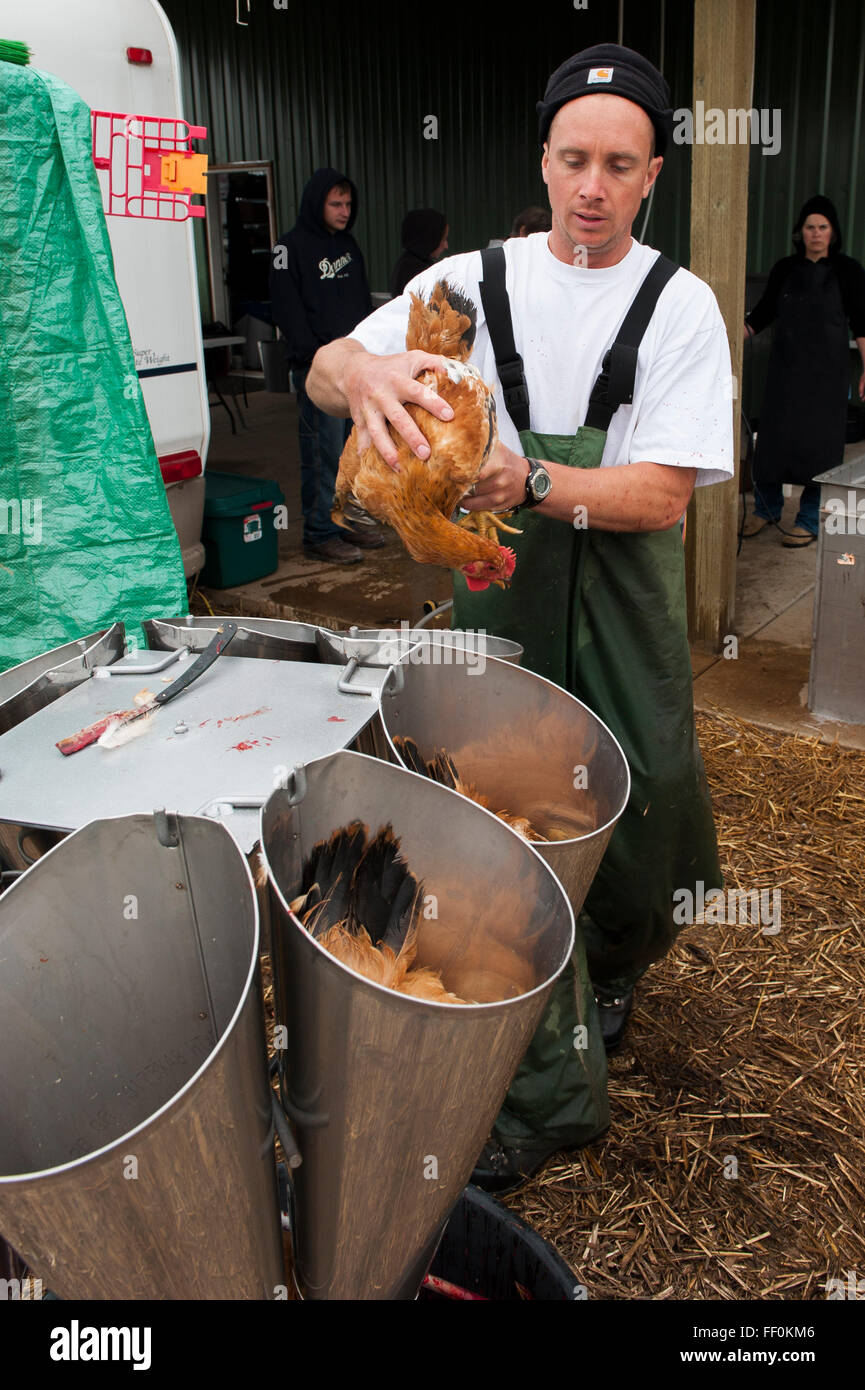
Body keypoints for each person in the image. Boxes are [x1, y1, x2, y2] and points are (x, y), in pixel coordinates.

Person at [307, 43, 734, 1189]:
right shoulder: (465, 283)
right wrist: (363, 379)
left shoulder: (678, 306)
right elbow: (321, 361)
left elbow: (661, 494)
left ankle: (612, 960)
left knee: (644, 801)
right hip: (497, 595)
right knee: (503, 815)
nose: (592, 185)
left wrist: (533, 482)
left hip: (626, 598)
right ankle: (545, 1083)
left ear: (651, 178)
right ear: (542, 162)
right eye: (573, 159)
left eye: (619, 164)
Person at [270, 168, 385, 564]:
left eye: (348, 204)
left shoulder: (349, 246)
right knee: (324, 453)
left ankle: (348, 523)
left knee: (358, 450)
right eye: (335, 203)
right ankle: (320, 532)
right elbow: (286, 310)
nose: (344, 210)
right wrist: (313, 357)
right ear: (316, 203)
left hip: (357, 369)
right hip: (317, 372)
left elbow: (361, 307)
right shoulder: (289, 248)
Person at [743, 195, 865, 547]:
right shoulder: (785, 269)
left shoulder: (849, 271)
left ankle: (809, 519)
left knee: (819, 448)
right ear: (800, 232)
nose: (815, 233)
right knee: (773, 443)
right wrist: (732, 333)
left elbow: (862, 325)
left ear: (833, 232)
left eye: (822, 227)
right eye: (809, 227)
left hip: (826, 378)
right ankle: (766, 510)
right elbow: (762, 315)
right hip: (785, 373)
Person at [389, 209, 449, 298]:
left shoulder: (408, 264)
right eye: (443, 239)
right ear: (430, 239)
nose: (446, 246)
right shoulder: (415, 272)